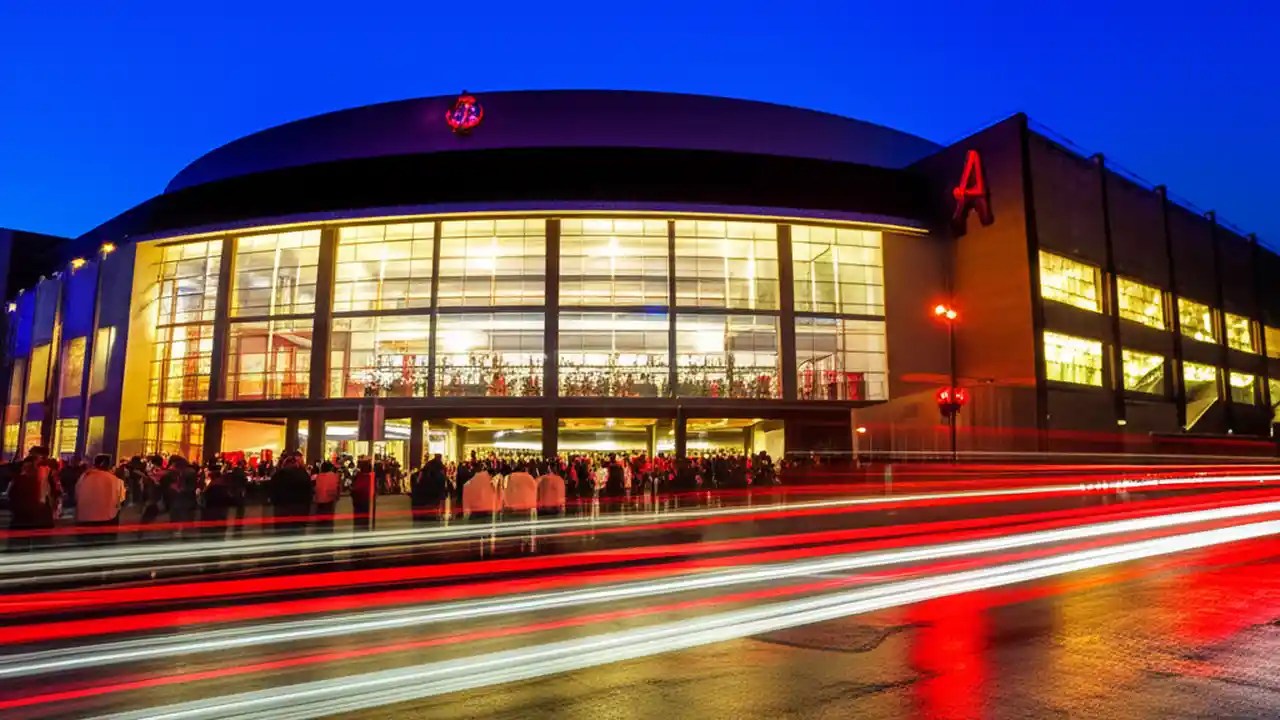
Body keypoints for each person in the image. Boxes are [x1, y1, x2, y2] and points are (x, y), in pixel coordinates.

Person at [8, 446, 59, 533]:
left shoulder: (47, 471)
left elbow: (53, 490)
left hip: (38, 511)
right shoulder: (24, 471)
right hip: (27, 512)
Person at [74, 453, 125, 535]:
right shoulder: (114, 479)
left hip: (84, 518)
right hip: (107, 519)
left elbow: (76, 496)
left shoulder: (83, 477)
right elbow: (121, 500)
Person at [267, 452, 314, 532]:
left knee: (282, 532)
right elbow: (309, 492)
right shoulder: (303, 474)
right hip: (300, 508)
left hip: (282, 508)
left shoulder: (278, 475)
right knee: (297, 532)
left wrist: (274, 501)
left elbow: (272, 490)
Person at [351, 458, 375, 529]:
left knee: (359, 518)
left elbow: (354, 487)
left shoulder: (358, 476)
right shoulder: (369, 477)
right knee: (363, 518)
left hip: (359, 500)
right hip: (364, 500)